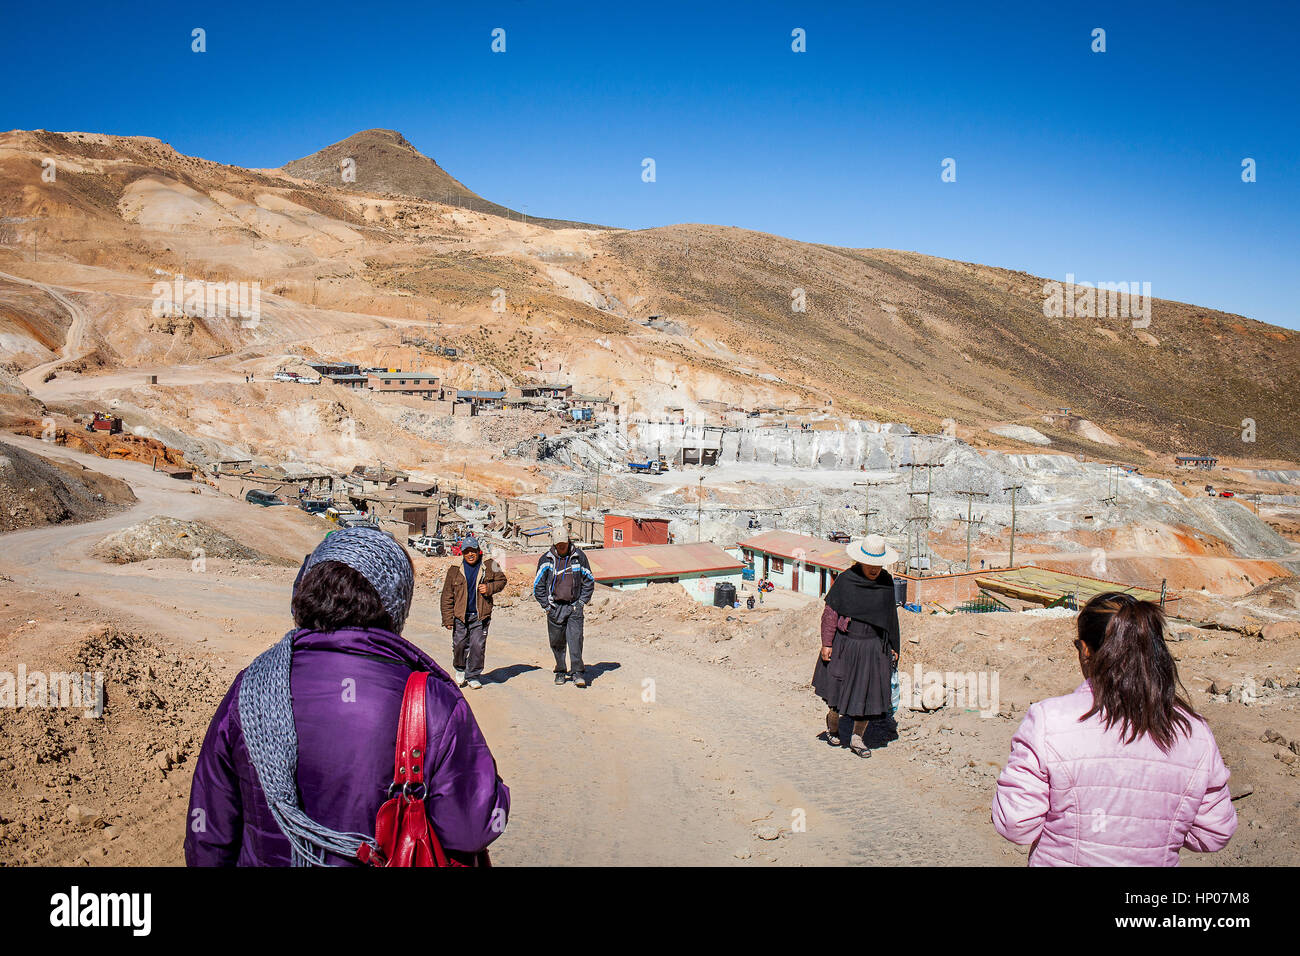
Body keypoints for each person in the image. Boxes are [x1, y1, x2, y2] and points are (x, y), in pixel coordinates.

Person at [185, 527, 509, 866]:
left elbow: (209, 835)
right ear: (396, 605)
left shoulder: (250, 689)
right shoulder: (431, 701)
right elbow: (473, 827)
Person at [992, 592, 1237, 866]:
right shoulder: (1194, 732)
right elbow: (1214, 832)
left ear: (1085, 650)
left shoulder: (1048, 720)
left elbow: (1016, 823)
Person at [812, 535, 900, 758]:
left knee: (867, 694)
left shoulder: (886, 583)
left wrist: (893, 644)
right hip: (846, 644)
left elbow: (890, 616)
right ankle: (833, 726)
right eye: (871, 564)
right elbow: (830, 614)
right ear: (861, 561)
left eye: (878, 565)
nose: (874, 569)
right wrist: (827, 642)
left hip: (873, 647)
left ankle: (857, 738)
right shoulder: (846, 581)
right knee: (837, 695)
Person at [533, 521, 594, 687]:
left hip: (574, 606)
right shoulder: (546, 559)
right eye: (558, 545)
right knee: (557, 642)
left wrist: (581, 602)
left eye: (564, 544)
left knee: (575, 640)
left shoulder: (579, 557)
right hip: (555, 608)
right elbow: (538, 585)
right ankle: (560, 671)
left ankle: (577, 673)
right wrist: (546, 606)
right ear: (554, 544)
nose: (561, 547)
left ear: (568, 542)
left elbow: (589, 580)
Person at [440, 536, 507, 690]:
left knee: (477, 645)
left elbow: (502, 580)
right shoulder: (454, 569)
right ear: (462, 553)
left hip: (480, 615)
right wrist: (447, 619)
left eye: (473, 551)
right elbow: (447, 595)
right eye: (467, 552)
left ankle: (473, 676)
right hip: (460, 616)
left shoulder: (490, 565)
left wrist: (489, 588)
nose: (470, 554)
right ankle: (460, 669)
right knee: (459, 644)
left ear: (478, 551)